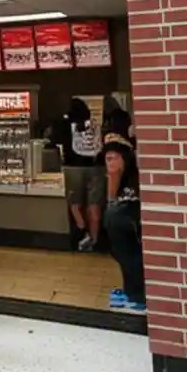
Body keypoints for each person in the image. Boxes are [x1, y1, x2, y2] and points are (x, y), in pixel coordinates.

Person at [102, 134, 144, 312]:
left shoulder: (125, 176)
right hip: (128, 216)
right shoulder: (133, 174)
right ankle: (133, 293)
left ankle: (136, 296)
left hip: (126, 216)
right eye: (106, 159)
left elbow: (112, 199)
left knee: (128, 256)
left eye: (112, 158)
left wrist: (113, 177)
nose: (108, 163)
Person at [62, 98, 103, 251]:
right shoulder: (94, 125)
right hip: (96, 168)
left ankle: (82, 230)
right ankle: (94, 240)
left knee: (74, 204)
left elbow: (54, 141)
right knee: (94, 206)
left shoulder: (66, 125)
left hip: (73, 168)